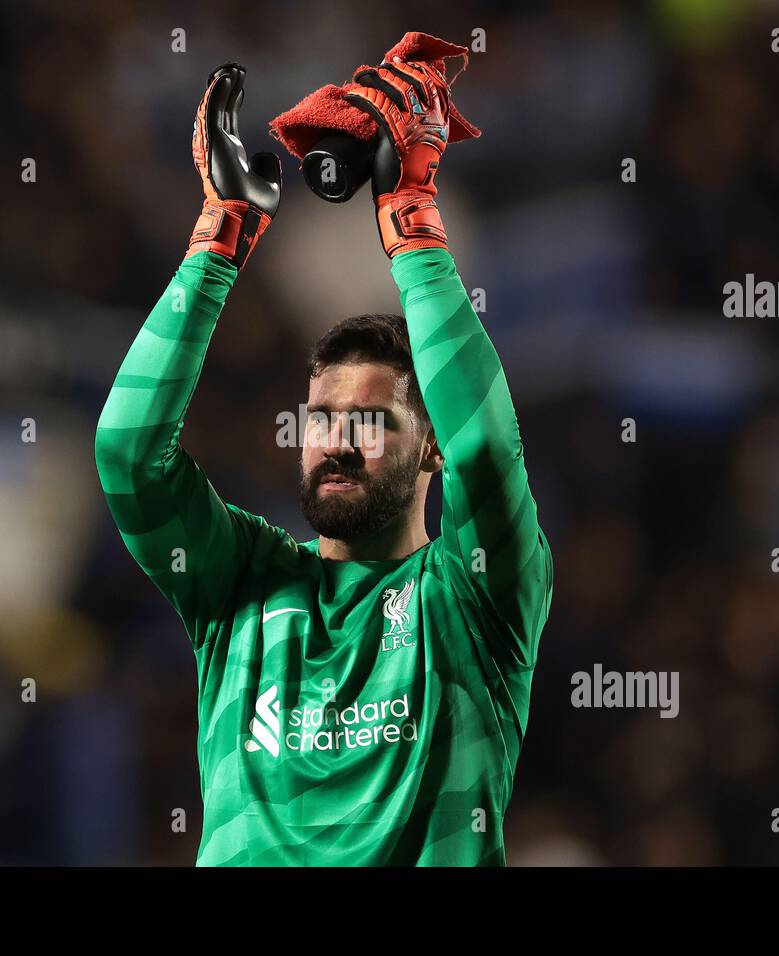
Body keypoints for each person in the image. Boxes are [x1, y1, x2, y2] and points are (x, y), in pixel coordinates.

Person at [94, 60, 552, 865]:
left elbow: (485, 444)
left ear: (429, 448)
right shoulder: (241, 582)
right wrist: (218, 238)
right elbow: (128, 455)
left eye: (371, 421)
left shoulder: (473, 598)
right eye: (322, 419)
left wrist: (409, 216)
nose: (336, 441)